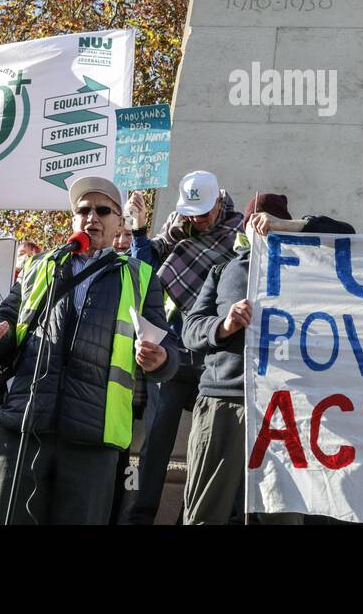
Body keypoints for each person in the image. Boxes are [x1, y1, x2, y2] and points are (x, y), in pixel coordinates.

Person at [0, 176, 180, 524]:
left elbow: (168, 351)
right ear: (73, 218)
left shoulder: (141, 277)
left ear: (119, 221)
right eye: (83, 210)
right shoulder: (40, 267)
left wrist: (161, 360)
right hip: (23, 427)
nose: (92, 218)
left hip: (93, 440)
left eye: (103, 210)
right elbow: (7, 323)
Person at [181, 192, 355, 524]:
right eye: (253, 222)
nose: (259, 228)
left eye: (266, 221)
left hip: (286, 409)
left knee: (282, 513)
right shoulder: (224, 269)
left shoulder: (309, 265)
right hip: (225, 402)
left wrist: (290, 226)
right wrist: (225, 324)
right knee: (207, 510)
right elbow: (191, 330)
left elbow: (348, 235)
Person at [120, 171, 243, 524]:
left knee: (215, 444)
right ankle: (140, 515)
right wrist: (140, 230)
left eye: (203, 212)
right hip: (174, 352)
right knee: (156, 444)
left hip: (215, 357)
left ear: (220, 203)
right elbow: (143, 268)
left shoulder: (239, 232)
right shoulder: (175, 229)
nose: (196, 220)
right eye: (191, 212)